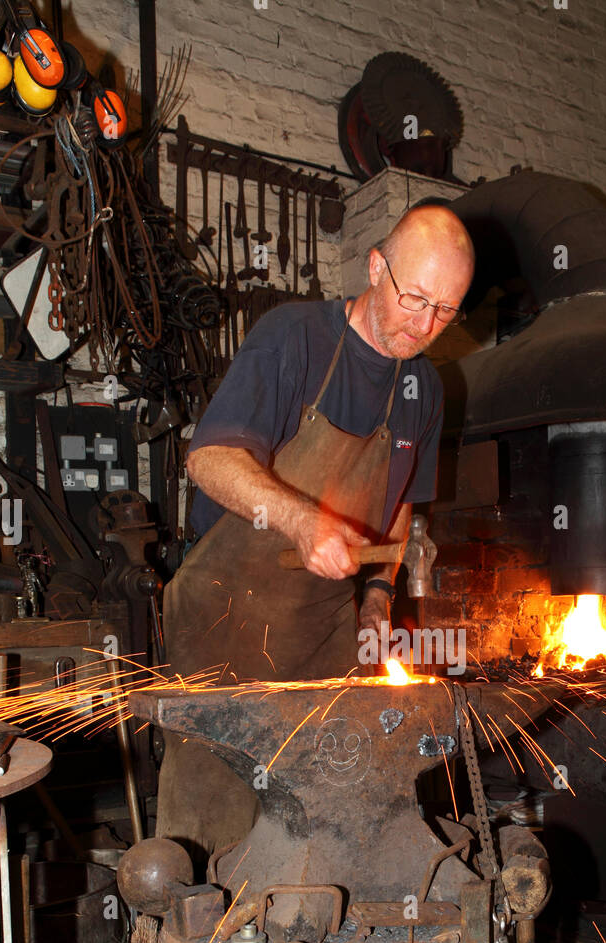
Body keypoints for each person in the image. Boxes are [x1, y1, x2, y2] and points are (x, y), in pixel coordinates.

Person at [155, 204, 476, 857]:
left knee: (334, 814)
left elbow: (399, 510)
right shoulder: (293, 337)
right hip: (228, 627)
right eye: (413, 298)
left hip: (326, 633)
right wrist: (302, 521)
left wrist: (378, 600)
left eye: (446, 310)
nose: (424, 325)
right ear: (375, 267)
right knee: (213, 829)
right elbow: (210, 459)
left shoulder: (426, 388)